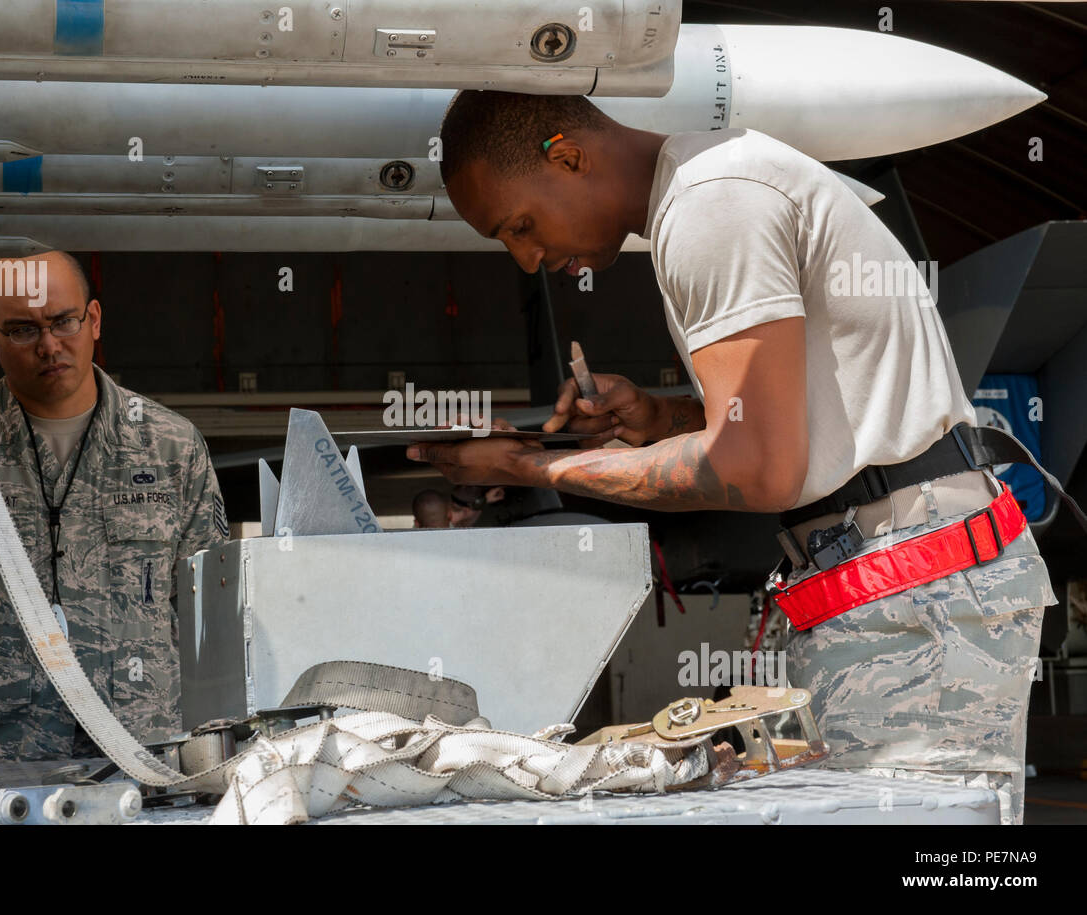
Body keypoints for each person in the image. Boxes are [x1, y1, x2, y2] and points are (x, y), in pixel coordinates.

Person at [405, 90, 1057, 823]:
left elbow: (758, 467)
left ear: (568, 155)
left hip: (908, 589)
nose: (528, 257)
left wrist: (529, 470)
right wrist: (659, 419)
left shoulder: (709, 208)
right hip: (901, 574)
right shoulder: (714, 185)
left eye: (520, 225)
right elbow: (798, 417)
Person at [0, 251, 229, 760]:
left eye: (63, 321)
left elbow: (207, 605)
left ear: (94, 320)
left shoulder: (170, 446)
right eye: (23, 330)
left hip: (138, 747)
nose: (49, 345)